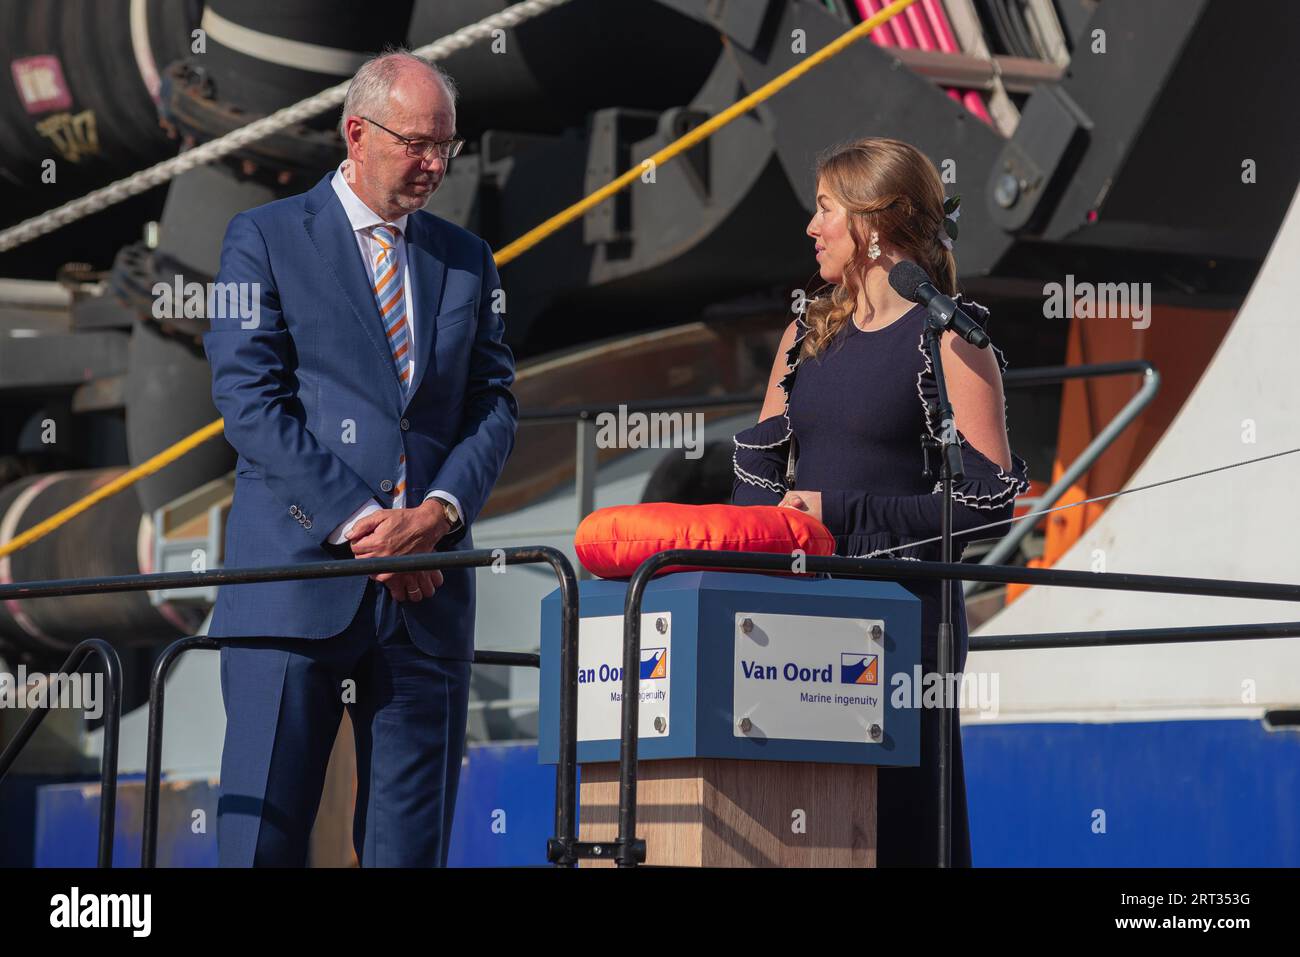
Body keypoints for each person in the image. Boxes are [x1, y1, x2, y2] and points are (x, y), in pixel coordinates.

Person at [202, 49, 517, 867]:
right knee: (257, 845)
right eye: (416, 143)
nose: (434, 164)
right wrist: (371, 526)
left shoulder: (466, 259)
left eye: (445, 146)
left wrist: (439, 516)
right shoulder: (263, 238)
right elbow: (248, 401)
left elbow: (494, 405)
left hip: (424, 600)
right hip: (296, 590)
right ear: (357, 132)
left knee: (405, 852)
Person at [731, 137, 1029, 867]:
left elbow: (990, 504)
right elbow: (758, 480)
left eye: (824, 208)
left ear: (869, 225)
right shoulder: (804, 334)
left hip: (906, 628)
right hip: (796, 626)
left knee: (901, 831)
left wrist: (847, 515)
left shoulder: (954, 337)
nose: (811, 227)